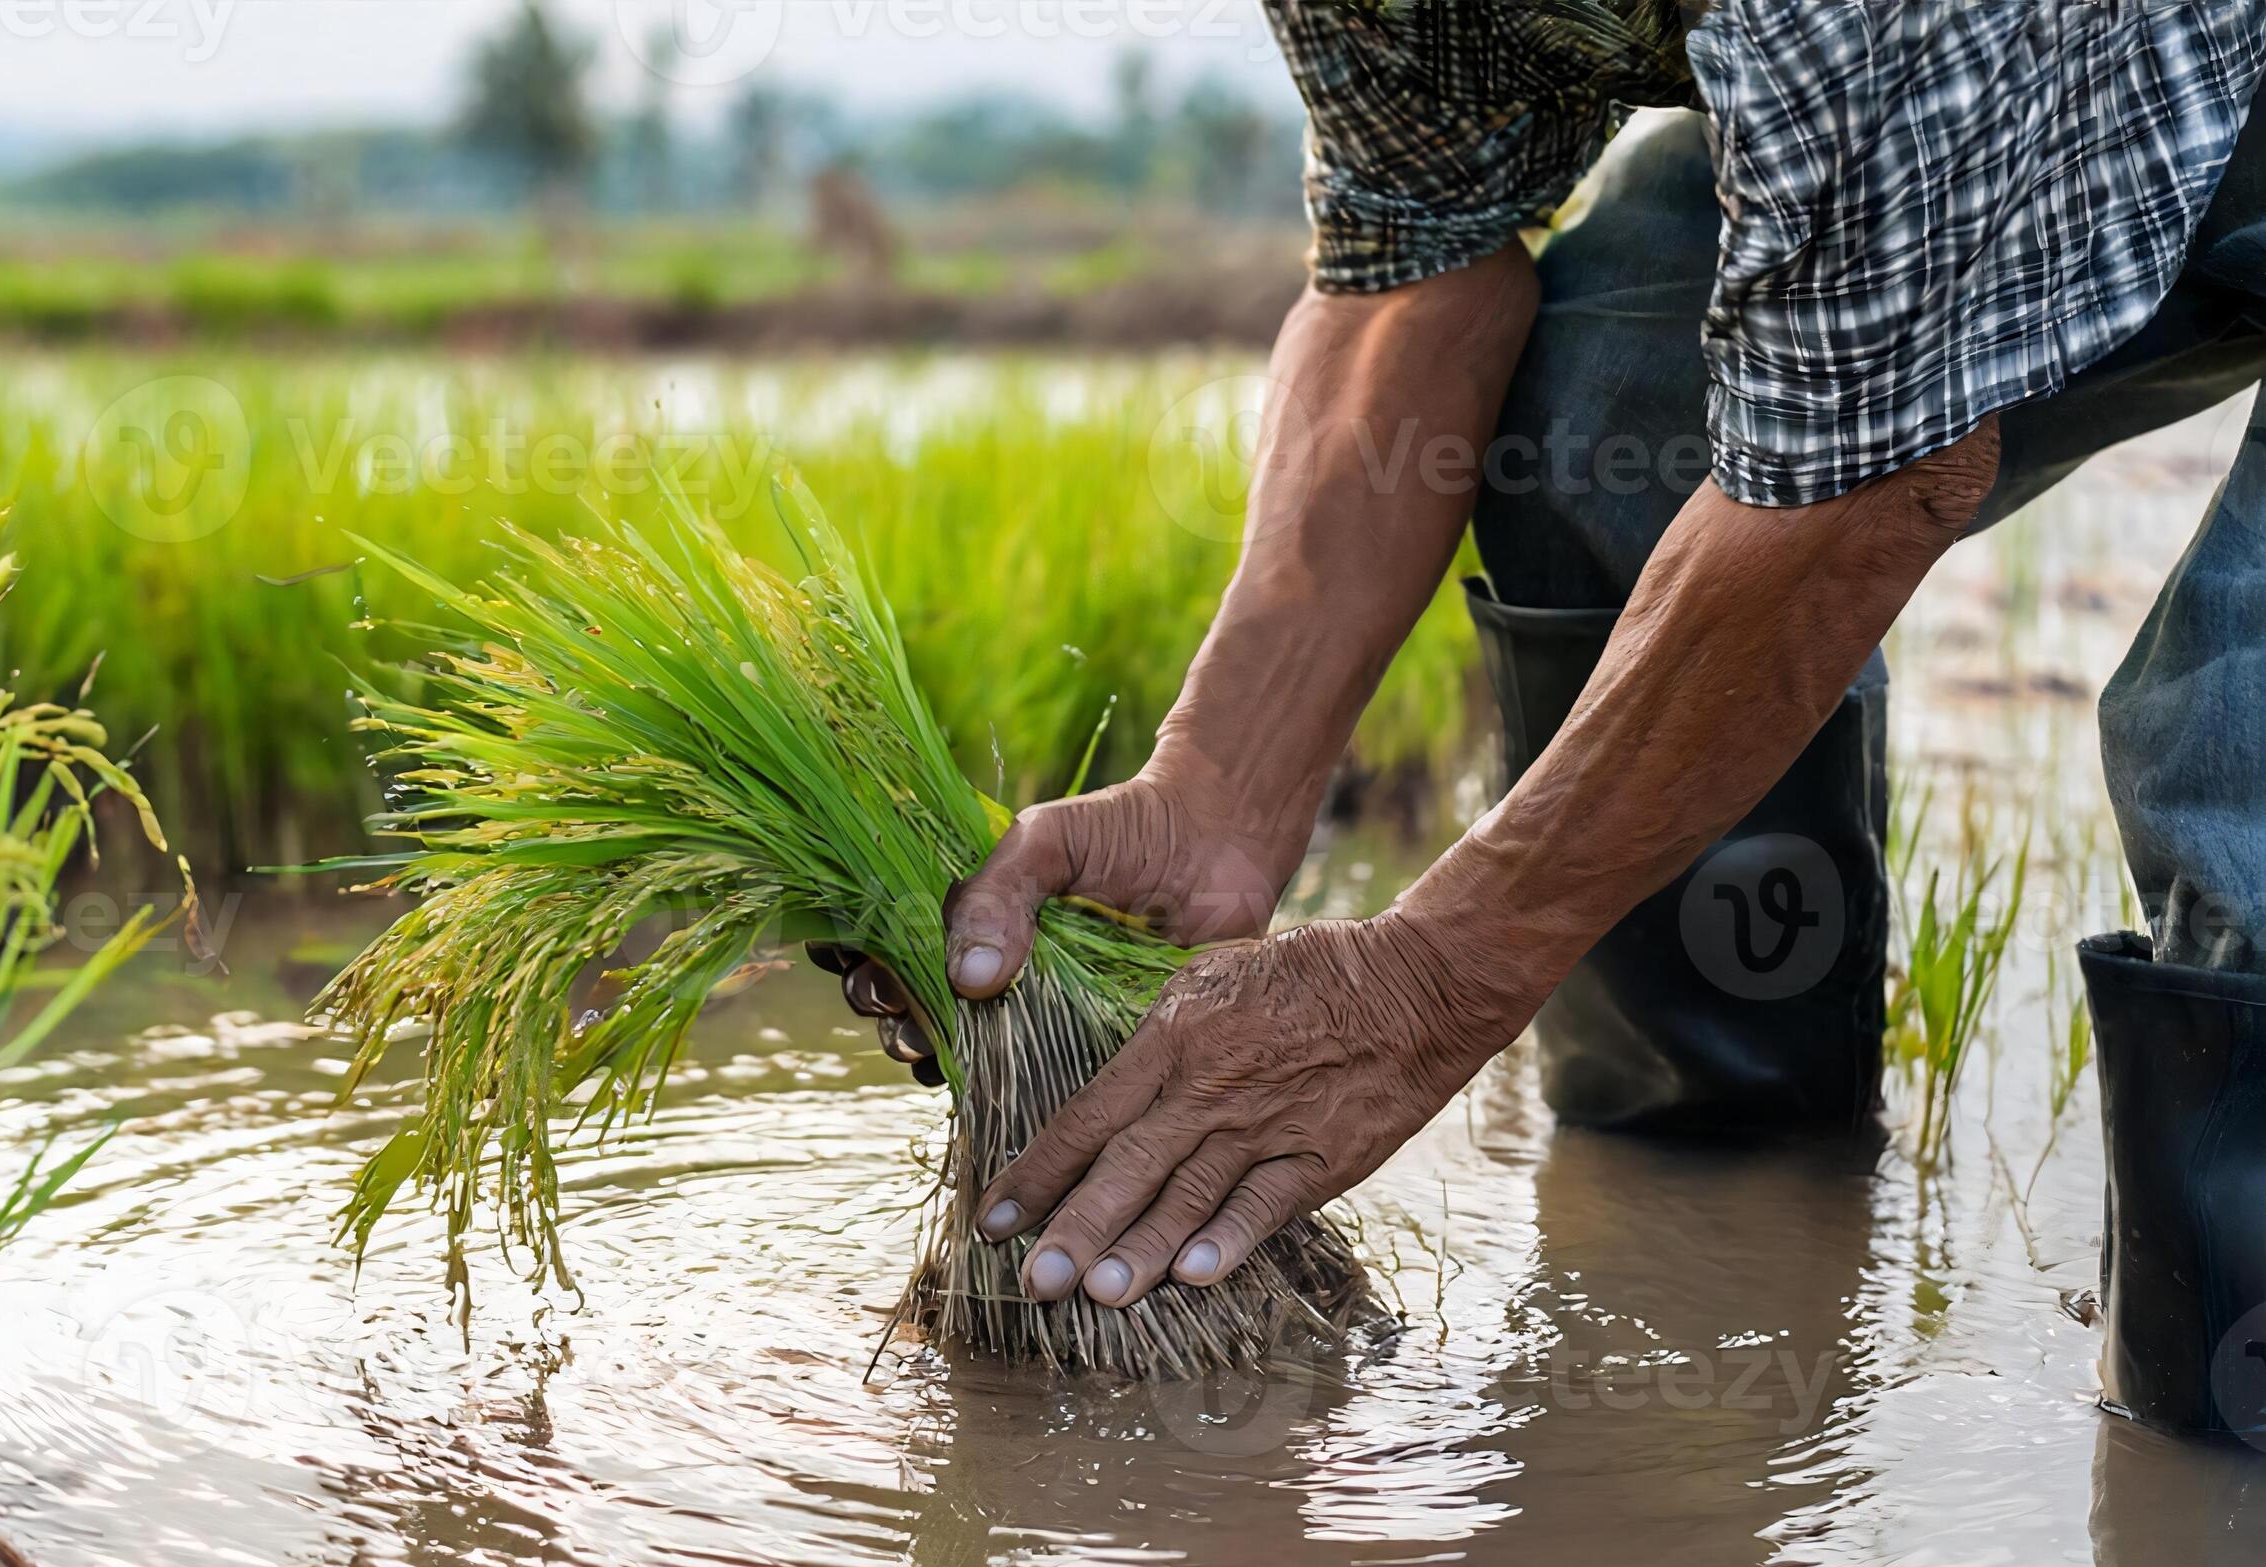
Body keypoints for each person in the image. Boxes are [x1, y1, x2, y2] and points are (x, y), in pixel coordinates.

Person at [839, 3, 2266, 1434]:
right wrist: (1217, 782)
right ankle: (1725, 1237)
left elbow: (1869, 485)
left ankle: (2215, 1479)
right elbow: (1410, 265)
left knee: (2228, 750)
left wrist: (1423, 984)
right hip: (2066, 104)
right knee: (1605, 414)